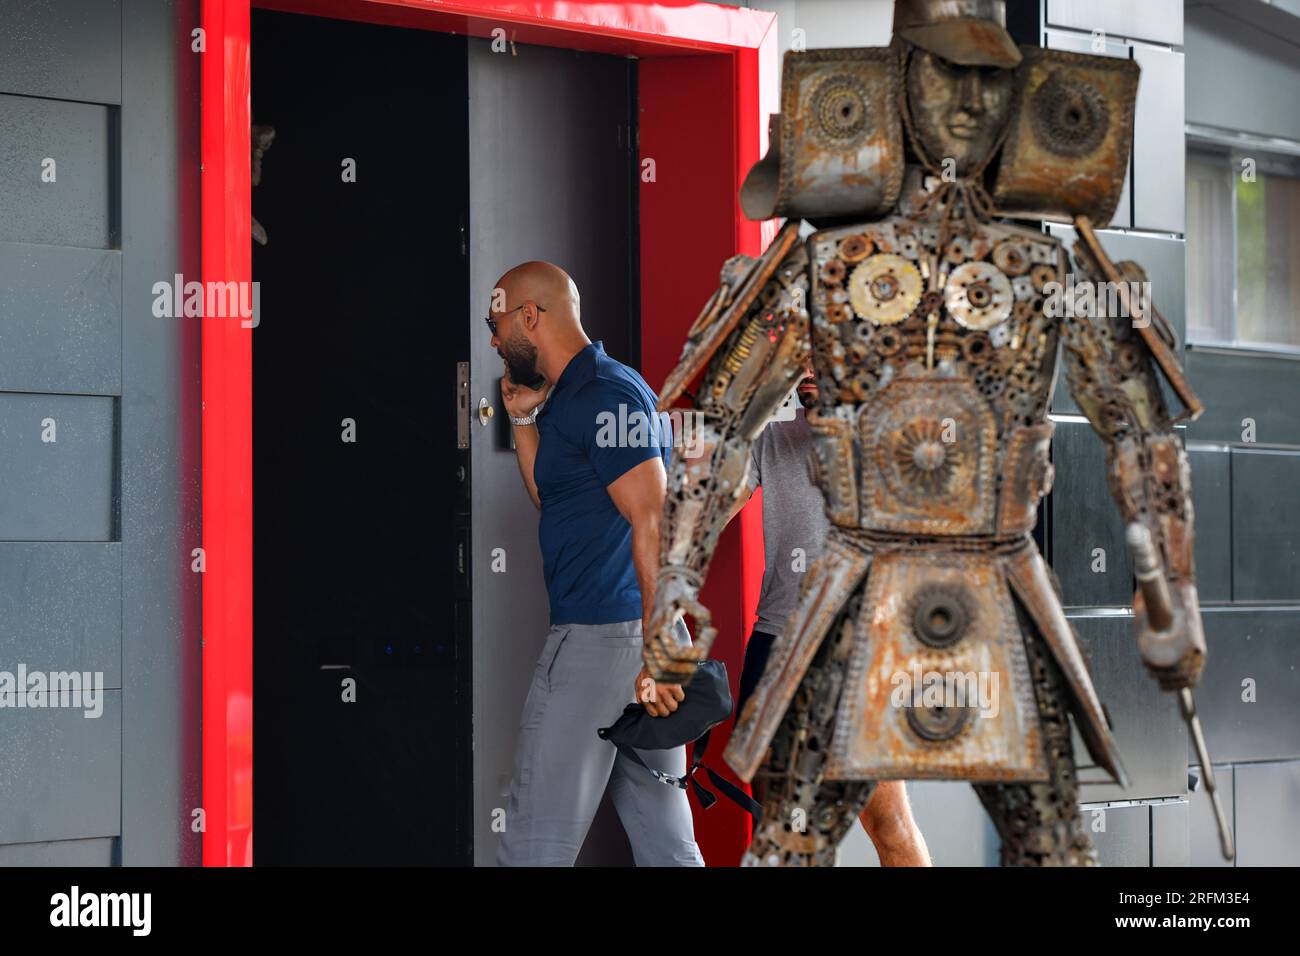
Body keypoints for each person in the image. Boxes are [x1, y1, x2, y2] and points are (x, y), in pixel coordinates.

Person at [490, 260, 703, 867]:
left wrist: (659, 649)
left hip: (605, 642)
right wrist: (524, 419)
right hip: (631, 642)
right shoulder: (573, 396)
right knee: (667, 845)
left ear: (531, 315)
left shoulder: (606, 393)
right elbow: (550, 496)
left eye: (496, 322)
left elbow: (654, 519)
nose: (493, 340)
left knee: (533, 846)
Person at [729, 365, 932, 867]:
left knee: (889, 824)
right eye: (803, 357)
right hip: (778, 648)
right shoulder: (770, 442)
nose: (811, 371)